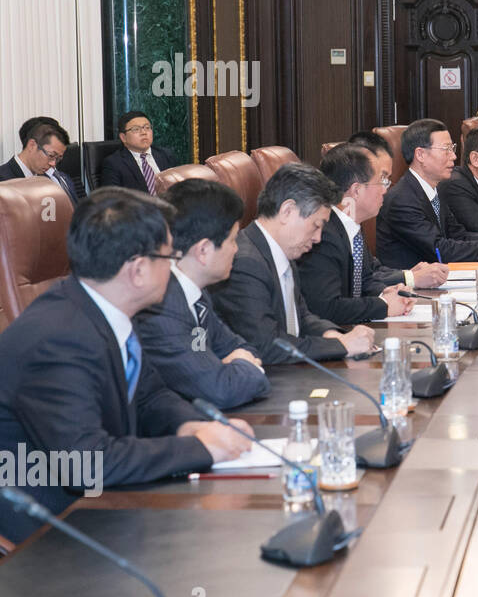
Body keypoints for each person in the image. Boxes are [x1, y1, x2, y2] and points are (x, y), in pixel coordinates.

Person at [0, 188, 251, 545]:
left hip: (105, 501)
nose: (175, 265)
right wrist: (202, 448)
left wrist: (194, 426)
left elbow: (150, 396)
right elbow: (85, 466)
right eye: (169, 255)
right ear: (137, 270)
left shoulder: (106, 310)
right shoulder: (57, 339)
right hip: (49, 532)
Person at [210, 162, 375, 364]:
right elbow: (267, 345)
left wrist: (334, 335)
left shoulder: (282, 251)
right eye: (315, 226)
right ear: (287, 211)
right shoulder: (246, 263)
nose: (318, 238)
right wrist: (342, 346)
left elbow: (301, 317)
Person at [134, 179, 271, 410]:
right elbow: (220, 390)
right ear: (204, 250)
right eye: (232, 241)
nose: (237, 250)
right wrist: (239, 366)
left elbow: (241, 347)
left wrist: (232, 365)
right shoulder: (161, 307)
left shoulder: (195, 292)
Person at [297, 144, 451, 326]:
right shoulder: (324, 234)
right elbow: (327, 308)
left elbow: (365, 280)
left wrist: (389, 293)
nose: (386, 190)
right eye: (382, 181)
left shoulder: (351, 226)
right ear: (356, 190)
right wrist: (383, 305)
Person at [376, 119, 478, 269]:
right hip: (411, 287)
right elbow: (440, 249)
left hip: (440, 280)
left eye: (452, 148)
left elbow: (459, 235)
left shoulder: (435, 190)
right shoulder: (402, 199)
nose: (453, 156)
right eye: (446, 149)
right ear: (420, 155)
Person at [0, 119, 77, 202]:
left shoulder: (46, 179)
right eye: (51, 156)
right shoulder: (3, 181)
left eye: (58, 159)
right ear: (32, 145)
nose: (53, 164)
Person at [99, 111, 175, 194]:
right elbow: (112, 198)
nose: (144, 132)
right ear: (123, 137)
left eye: (147, 127)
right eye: (136, 129)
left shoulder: (165, 155)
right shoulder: (114, 163)